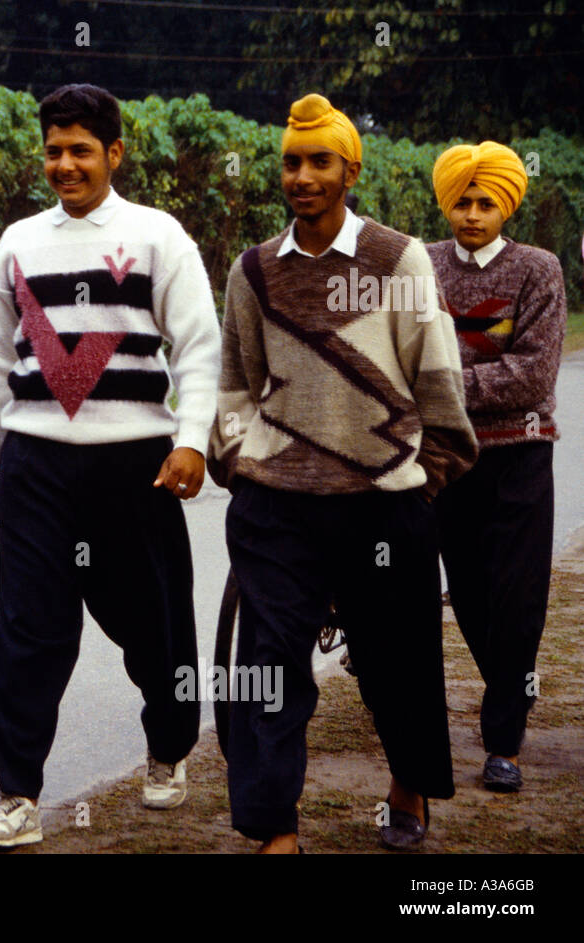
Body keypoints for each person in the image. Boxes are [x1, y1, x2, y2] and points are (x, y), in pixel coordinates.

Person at [207, 93, 478, 853]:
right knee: (269, 665)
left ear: (350, 168)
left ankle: (409, 782)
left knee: (399, 663)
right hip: (278, 509)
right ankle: (274, 828)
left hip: (383, 506)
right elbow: (235, 383)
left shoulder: (399, 258)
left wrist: (425, 476)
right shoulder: (253, 270)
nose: (302, 176)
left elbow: (437, 375)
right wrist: (241, 463)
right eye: (292, 162)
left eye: (319, 161)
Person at [0, 84, 220, 849]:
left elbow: (200, 346)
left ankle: (169, 747)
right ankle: (17, 794)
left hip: (135, 464)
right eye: (53, 151)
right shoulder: (18, 242)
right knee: (26, 632)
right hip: (36, 466)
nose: (65, 165)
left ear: (115, 152)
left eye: (81, 150)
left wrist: (193, 440)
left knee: (156, 624)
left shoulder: (157, 236)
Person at [427, 141, 566, 793]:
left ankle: (502, 739)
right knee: (473, 592)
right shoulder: (419, 268)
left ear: (506, 205)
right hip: (449, 456)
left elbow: (533, 374)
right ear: (447, 203)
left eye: (486, 203)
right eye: (463, 201)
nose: (473, 214)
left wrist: (446, 382)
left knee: (519, 597)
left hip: (521, 452)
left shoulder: (538, 270)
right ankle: (507, 692)